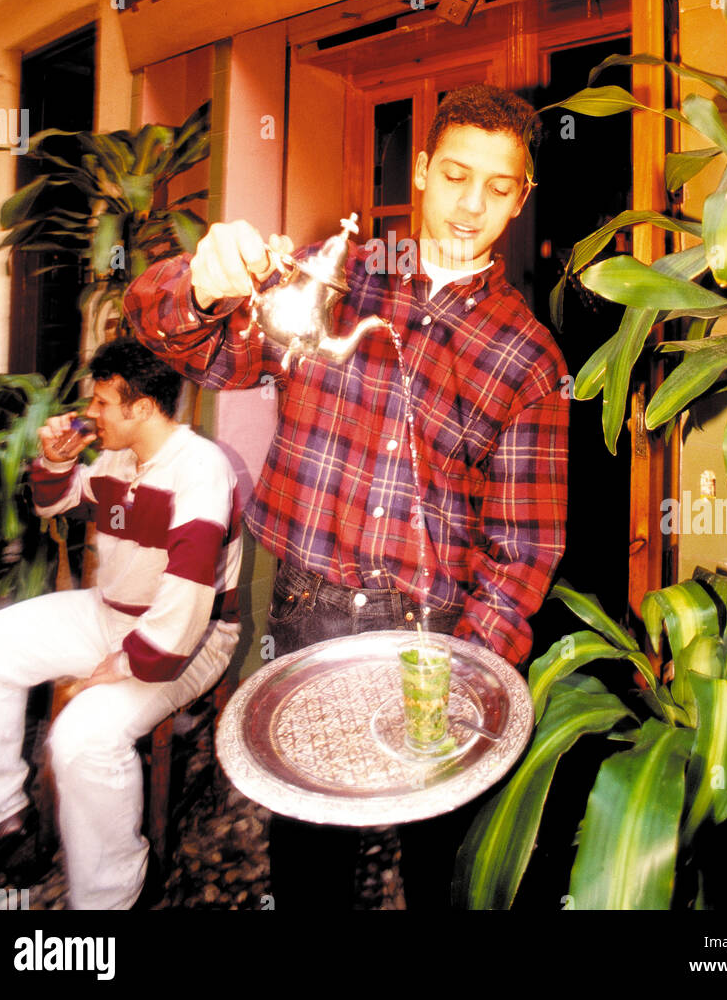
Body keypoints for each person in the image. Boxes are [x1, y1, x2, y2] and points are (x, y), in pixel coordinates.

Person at [124, 83, 569, 906]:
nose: (472, 205)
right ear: (424, 170)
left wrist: (473, 662)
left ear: (522, 197)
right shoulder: (334, 280)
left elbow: (525, 546)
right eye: (457, 176)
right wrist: (204, 283)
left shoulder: (530, 356)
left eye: (499, 187)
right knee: (309, 855)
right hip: (304, 612)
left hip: (433, 633)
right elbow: (183, 341)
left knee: (440, 861)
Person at [0, 339, 240, 909]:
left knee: (83, 739)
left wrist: (129, 660)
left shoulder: (202, 470)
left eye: (103, 402)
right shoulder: (119, 460)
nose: (91, 414)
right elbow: (56, 503)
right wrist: (60, 459)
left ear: (142, 408)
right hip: (109, 612)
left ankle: (114, 897)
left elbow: (187, 595)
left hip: (190, 639)